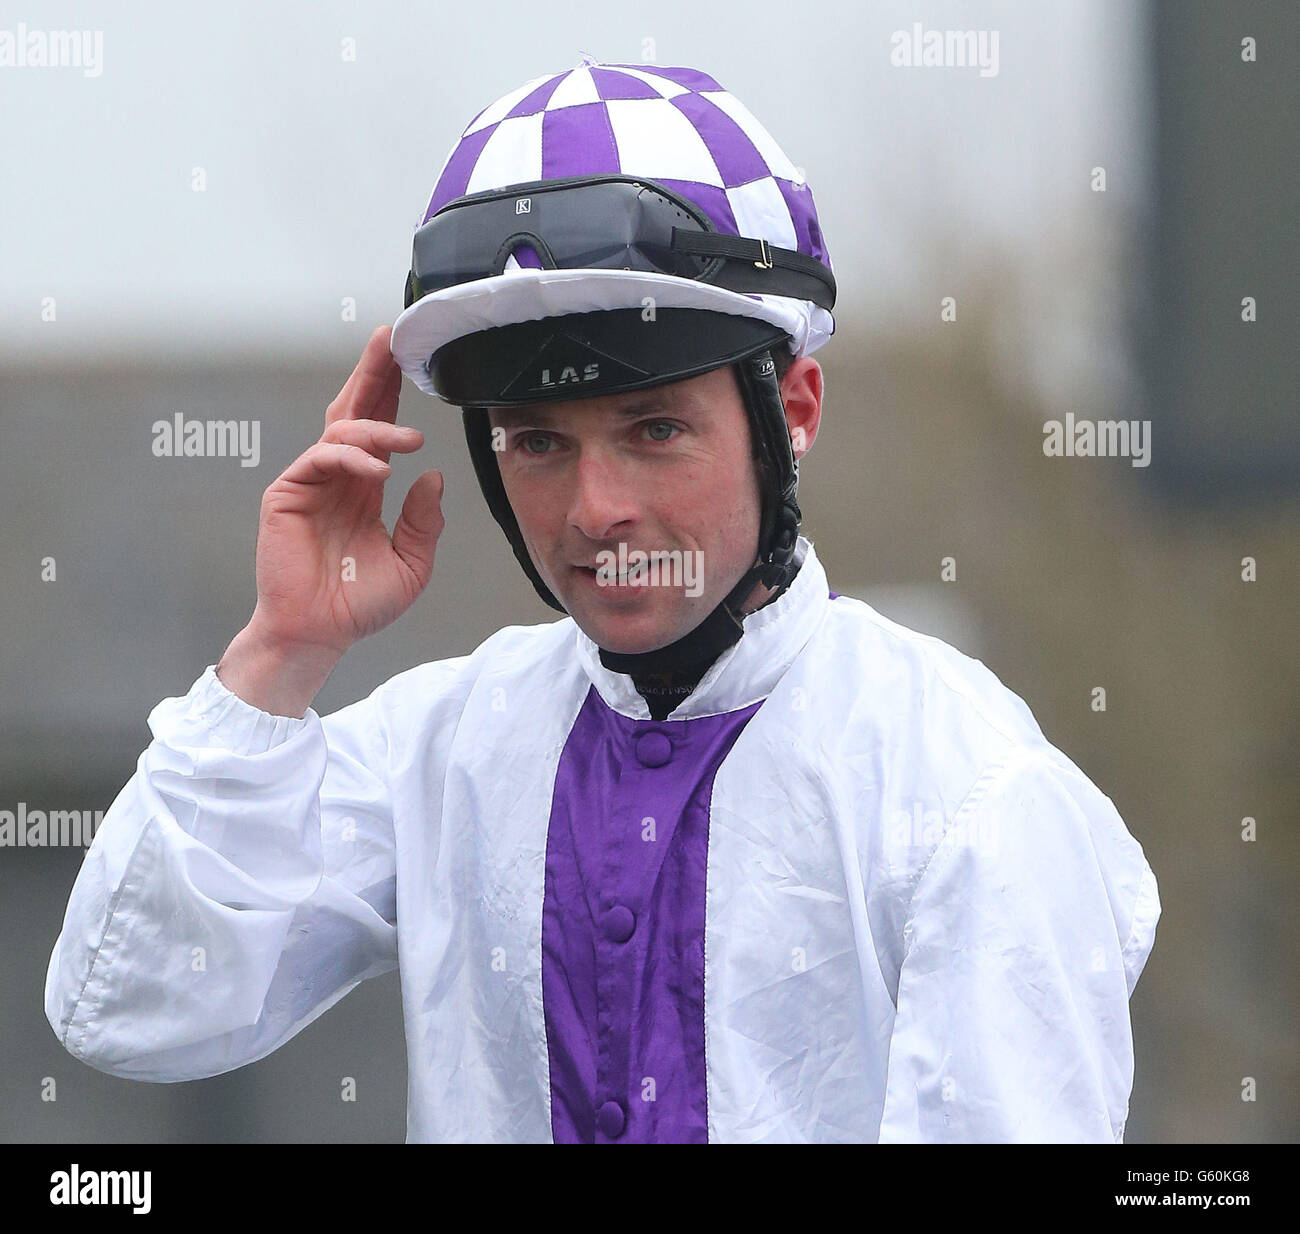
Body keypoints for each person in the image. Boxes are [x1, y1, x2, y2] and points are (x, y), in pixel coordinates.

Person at [44, 58, 1160, 1143]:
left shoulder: (966, 789)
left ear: (796, 407)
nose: (596, 509)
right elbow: (130, 1007)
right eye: (536, 442)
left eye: (654, 430)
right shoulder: (441, 746)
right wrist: (278, 652)